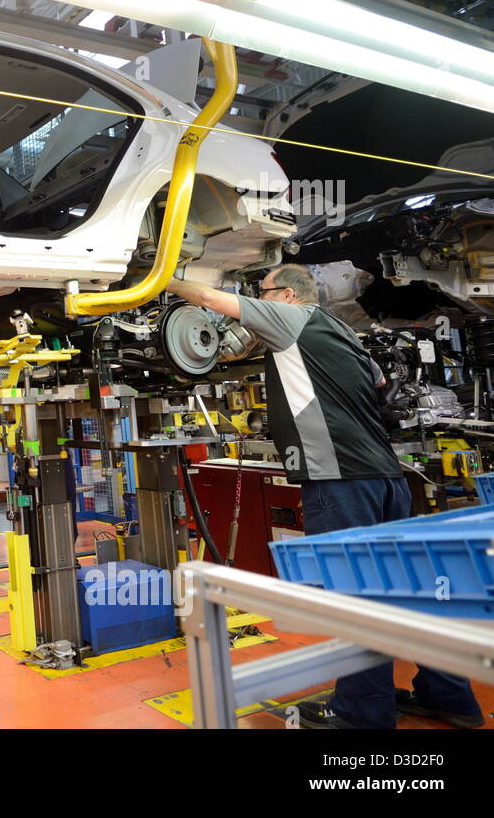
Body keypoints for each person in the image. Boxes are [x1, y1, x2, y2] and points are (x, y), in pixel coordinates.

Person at [167, 264, 484, 730]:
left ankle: (362, 714)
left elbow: (212, 300)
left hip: (340, 480)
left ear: (287, 295)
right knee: (405, 592)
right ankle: (450, 698)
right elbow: (379, 385)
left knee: (350, 598)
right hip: (387, 477)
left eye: (263, 290)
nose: (258, 298)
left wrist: (158, 279)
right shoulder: (344, 332)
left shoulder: (291, 318)